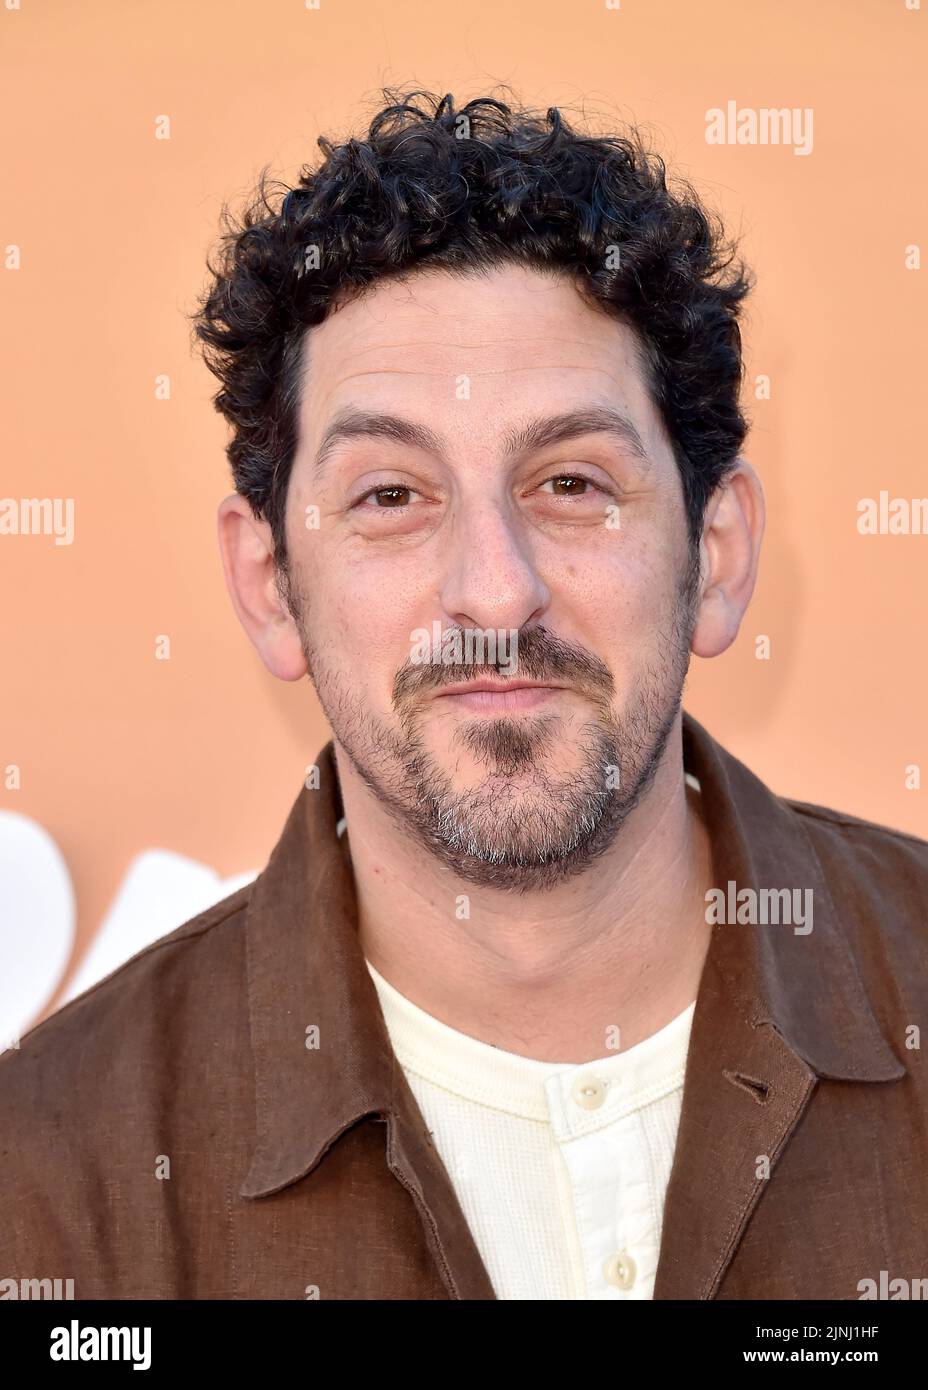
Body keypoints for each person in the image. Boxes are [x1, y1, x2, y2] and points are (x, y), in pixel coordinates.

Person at [2, 89, 926, 1302]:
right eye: (391, 495)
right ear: (272, 583)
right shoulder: (51, 1172)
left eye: (570, 482)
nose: (495, 594)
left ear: (717, 551)